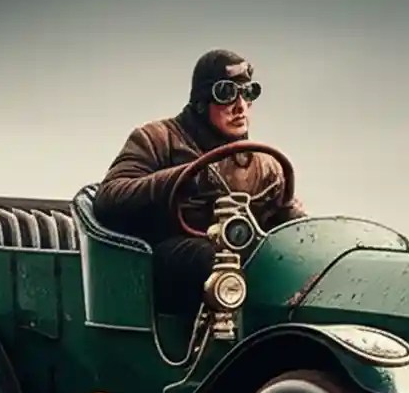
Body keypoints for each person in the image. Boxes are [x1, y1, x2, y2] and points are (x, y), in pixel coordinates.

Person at [92, 49, 307, 313]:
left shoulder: (265, 166)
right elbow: (109, 197)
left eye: (248, 93)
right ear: (202, 101)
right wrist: (181, 177)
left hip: (241, 258)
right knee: (215, 260)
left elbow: (295, 225)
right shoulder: (157, 139)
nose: (240, 106)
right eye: (227, 94)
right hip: (165, 259)